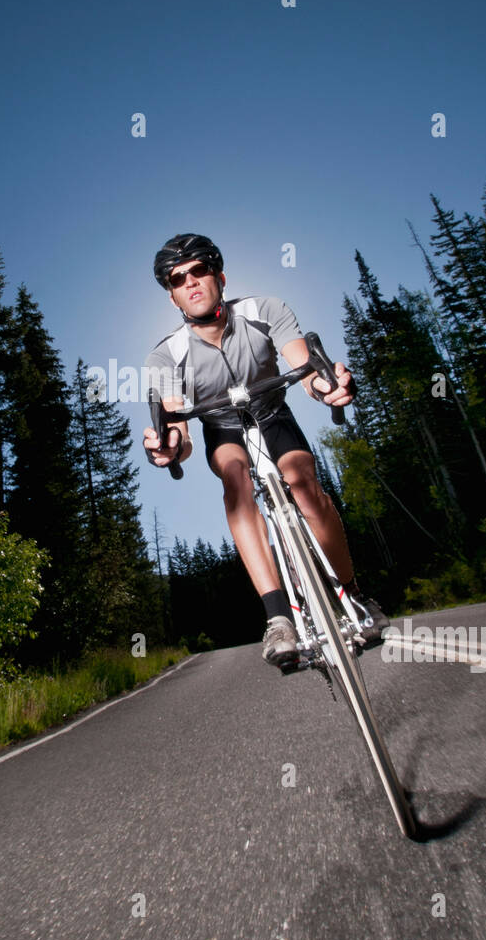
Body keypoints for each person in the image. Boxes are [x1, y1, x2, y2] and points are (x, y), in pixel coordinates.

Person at [142, 233, 389, 666]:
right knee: (236, 482)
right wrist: (168, 446)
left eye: (199, 270)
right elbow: (178, 427)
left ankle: (352, 595)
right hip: (223, 430)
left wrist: (326, 386)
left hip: (273, 415)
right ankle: (278, 619)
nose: (191, 282)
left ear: (220, 276)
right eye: (178, 279)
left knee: (304, 483)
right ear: (173, 296)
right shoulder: (164, 357)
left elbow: (304, 367)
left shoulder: (266, 310)